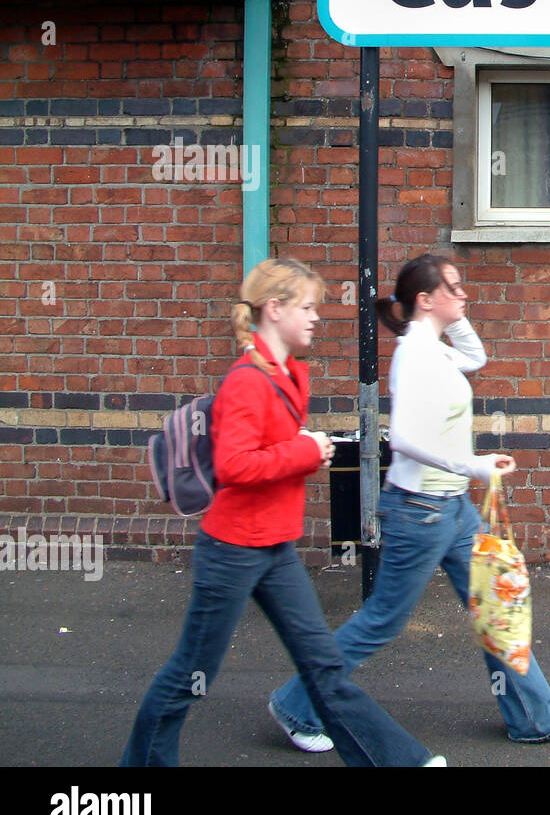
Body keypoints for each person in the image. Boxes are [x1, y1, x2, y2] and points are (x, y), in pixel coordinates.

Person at [121, 257, 443, 767]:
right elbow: (234, 466)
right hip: (231, 551)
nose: (316, 317)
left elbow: (265, 452)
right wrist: (306, 451)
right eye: (307, 307)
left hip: (274, 547)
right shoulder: (247, 381)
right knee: (191, 675)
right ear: (274, 308)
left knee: (324, 669)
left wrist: (299, 448)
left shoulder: (287, 372)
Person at [268, 253, 550, 749]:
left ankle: (535, 716)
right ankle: (297, 704)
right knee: (381, 622)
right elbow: (405, 440)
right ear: (425, 299)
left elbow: (476, 356)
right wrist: (475, 465)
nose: (464, 295)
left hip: (452, 509)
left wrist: (452, 317)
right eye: (454, 288)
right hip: (419, 511)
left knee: (492, 605)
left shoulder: (432, 347)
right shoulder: (415, 355)